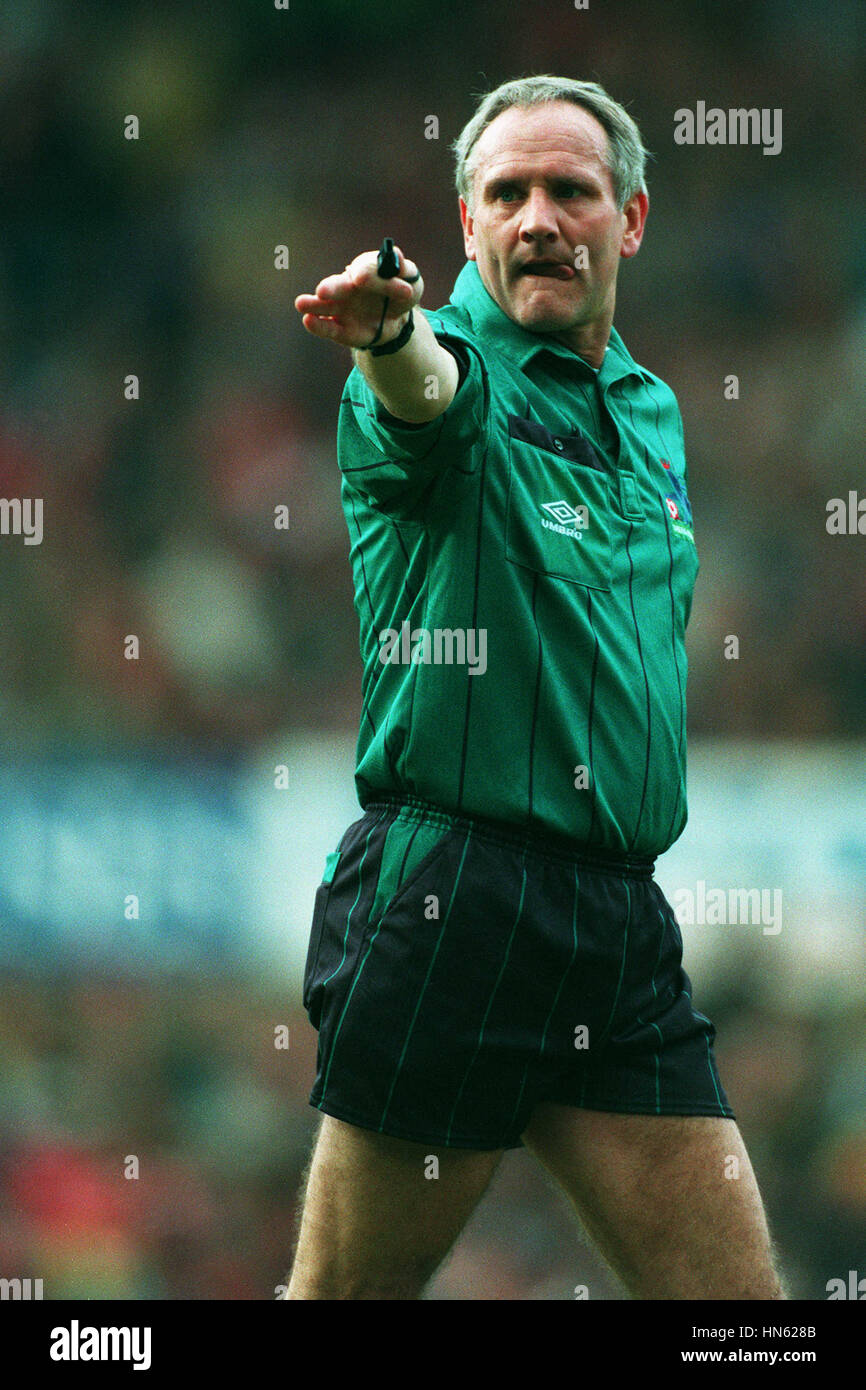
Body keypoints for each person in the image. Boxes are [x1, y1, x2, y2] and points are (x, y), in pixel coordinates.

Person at [286, 75, 785, 1300]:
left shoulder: (650, 410)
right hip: (461, 900)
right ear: (465, 226)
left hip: (617, 928)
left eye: (570, 189)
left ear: (631, 220)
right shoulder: (444, 362)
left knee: (744, 1320)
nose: (536, 217)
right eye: (504, 193)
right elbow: (425, 399)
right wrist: (390, 335)